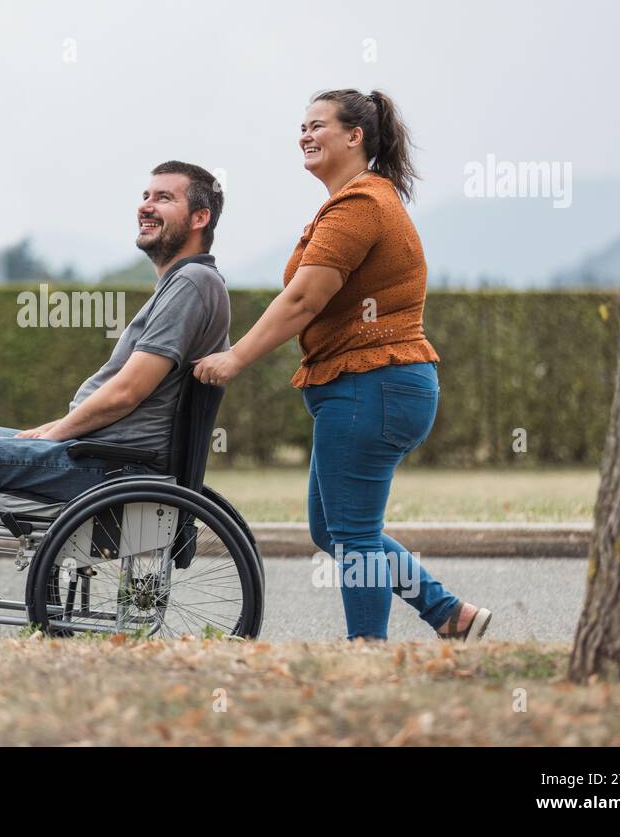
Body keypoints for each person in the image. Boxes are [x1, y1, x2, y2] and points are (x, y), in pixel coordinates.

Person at [191, 89, 492, 643]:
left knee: (353, 532)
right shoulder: (357, 202)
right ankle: (449, 614)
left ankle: (368, 648)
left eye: (317, 125)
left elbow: (303, 300)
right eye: (301, 126)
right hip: (368, 388)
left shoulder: (360, 206)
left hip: (371, 386)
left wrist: (235, 358)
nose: (305, 135)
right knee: (334, 530)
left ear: (355, 136)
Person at [0, 160, 232, 634]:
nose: (146, 205)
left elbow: (128, 391)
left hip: (114, 467)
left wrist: (57, 430)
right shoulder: (187, 283)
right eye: (145, 195)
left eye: (164, 197)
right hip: (111, 457)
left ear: (200, 218)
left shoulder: (192, 283)